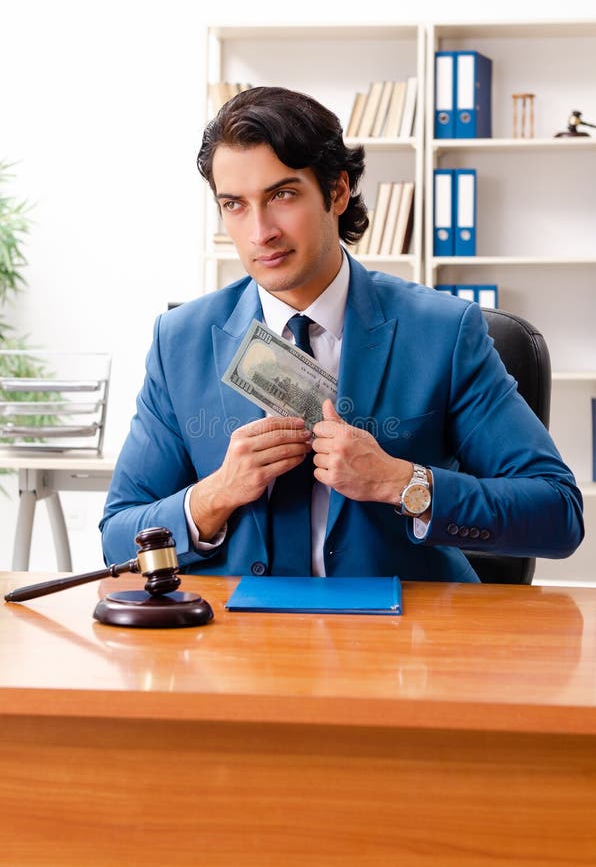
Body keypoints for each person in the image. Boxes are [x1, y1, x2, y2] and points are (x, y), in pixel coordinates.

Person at [100, 86, 584, 581]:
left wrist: (402, 483)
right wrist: (216, 495)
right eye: (235, 204)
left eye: (282, 195)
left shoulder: (444, 332)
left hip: (402, 623)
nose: (260, 232)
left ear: (337, 192)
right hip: (237, 625)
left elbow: (558, 512)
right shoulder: (179, 341)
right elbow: (117, 536)